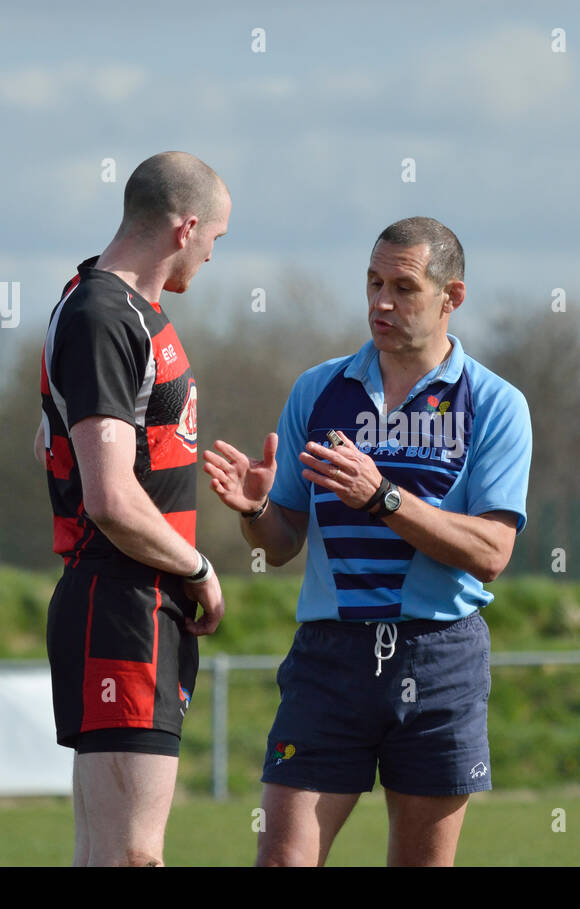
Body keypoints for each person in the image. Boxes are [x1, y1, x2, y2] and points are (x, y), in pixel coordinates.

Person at [203, 217, 533, 867]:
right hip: (330, 658)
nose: (382, 302)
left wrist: (381, 496)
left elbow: (492, 553)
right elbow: (279, 545)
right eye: (374, 283)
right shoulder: (318, 390)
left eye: (404, 287)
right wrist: (255, 510)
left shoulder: (495, 403)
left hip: (440, 657)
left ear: (452, 296)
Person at [34, 151, 230, 866]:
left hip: (139, 604)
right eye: (216, 239)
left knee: (111, 856)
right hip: (124, 604)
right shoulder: (100, 314)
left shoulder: (117, 308)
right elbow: (110, 497)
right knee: (131, 858)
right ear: (185, 228)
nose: (213, 255)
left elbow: (53, 439)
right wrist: (199, 567)